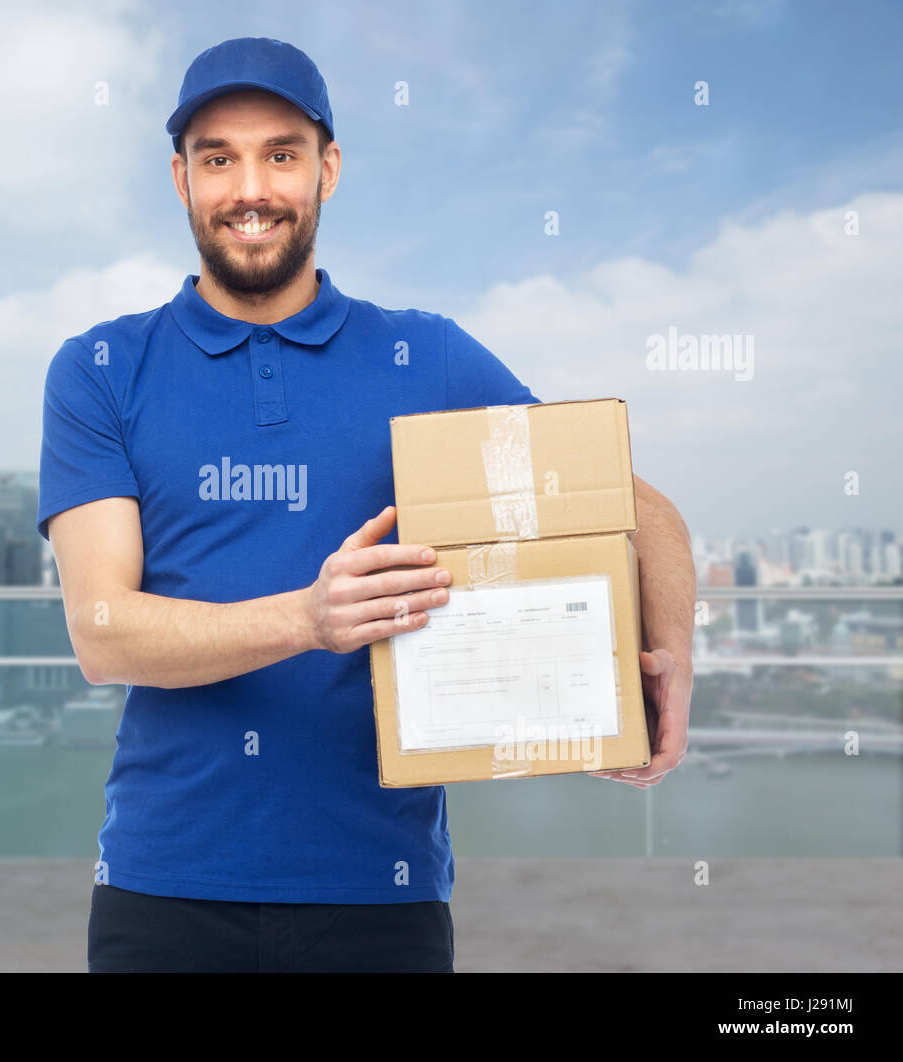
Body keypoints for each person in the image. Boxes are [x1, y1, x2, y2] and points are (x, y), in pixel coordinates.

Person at [37, 37, 695, 973]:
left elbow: (642, 508)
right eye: (219, 158)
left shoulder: (424, 357)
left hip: (381, 893)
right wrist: (309, 617)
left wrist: (665, 677)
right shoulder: (102, 370)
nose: (250, 187)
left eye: (282, 153)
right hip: (165, 890)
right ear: (181, 178)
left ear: (327, 170)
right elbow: (104, 634)